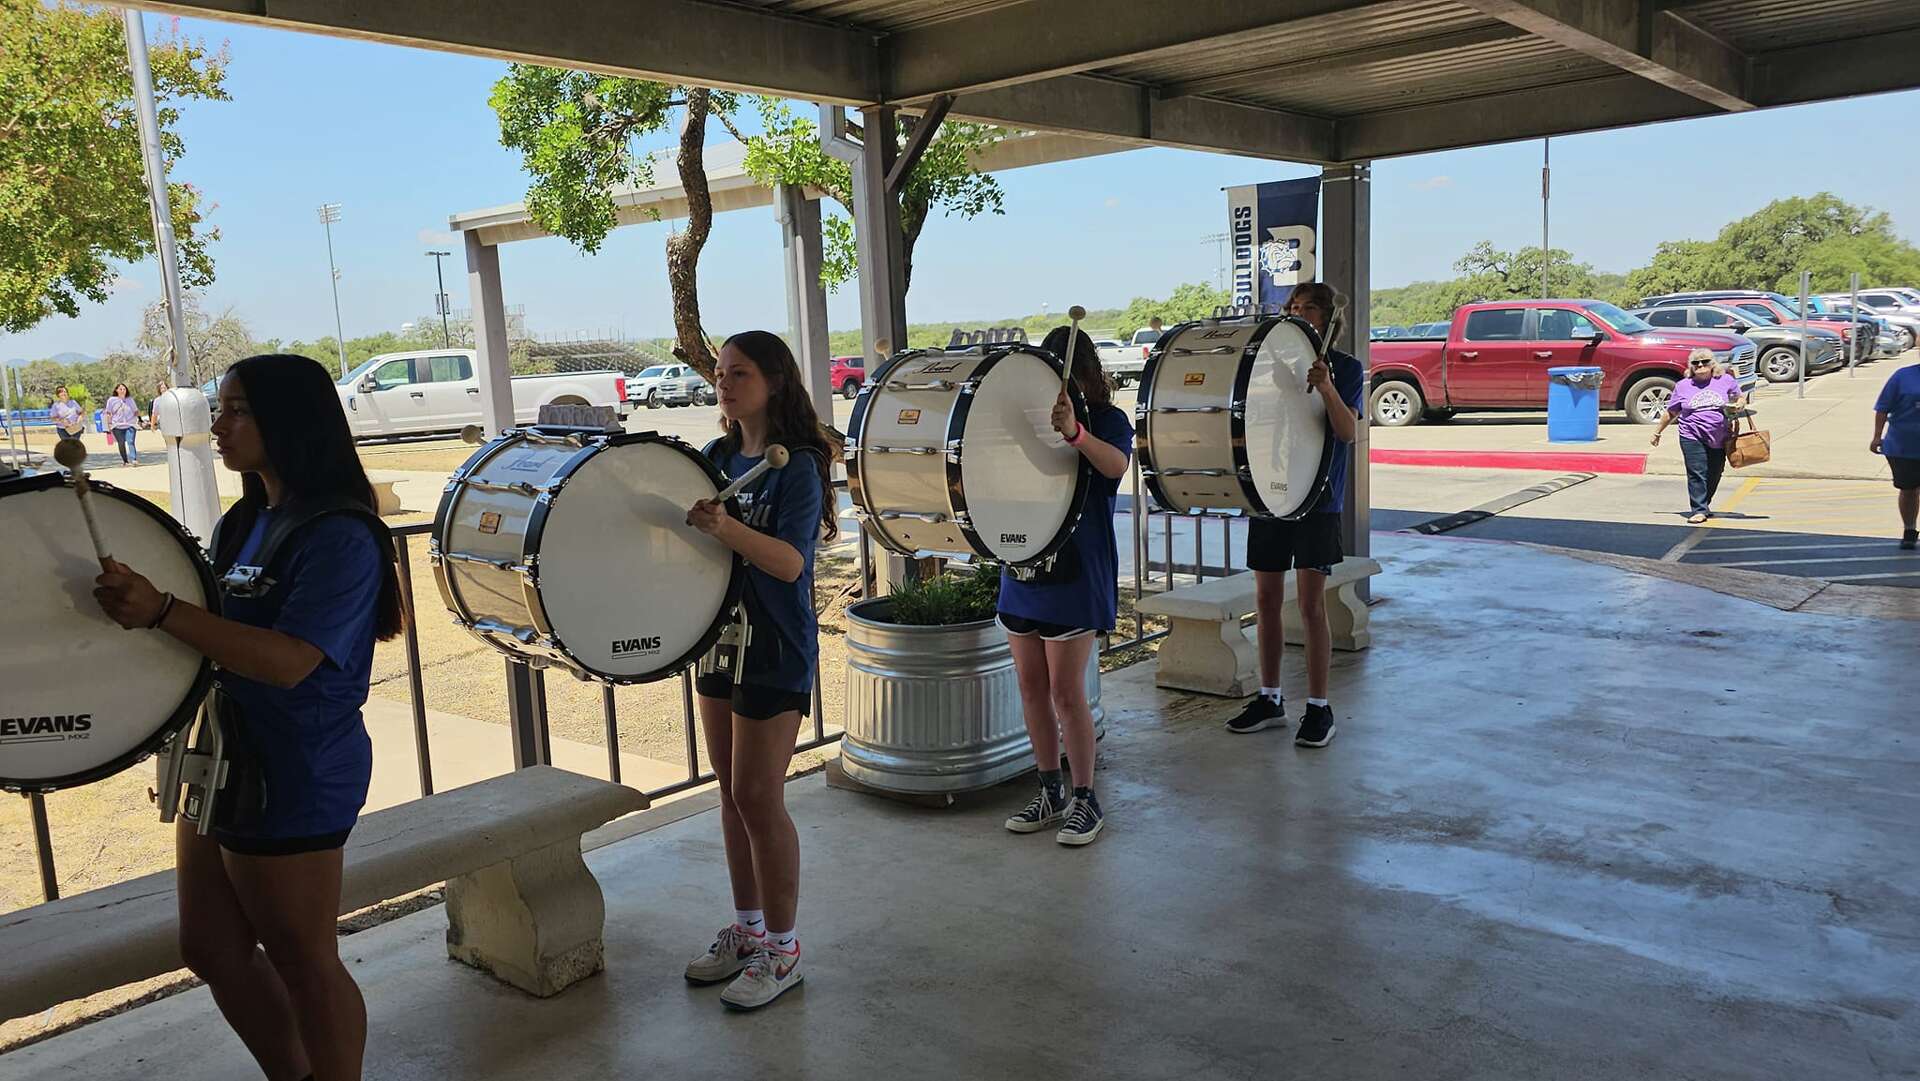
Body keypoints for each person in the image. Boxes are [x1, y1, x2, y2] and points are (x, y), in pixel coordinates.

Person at [91, 354, 402, 1081]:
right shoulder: (247, 516)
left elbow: (292, 659)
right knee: (212, 946)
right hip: (225, 755)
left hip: (296, 766)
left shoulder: (340, 533)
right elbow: (213, 631)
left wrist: (164, 612)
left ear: (288, 422)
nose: (217, 426)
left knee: (303, 958)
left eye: (235, 411)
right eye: (218, 409)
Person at [682, 330, 835, 1012]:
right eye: (719, 372)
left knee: (759, 796)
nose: (724, 382)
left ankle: (784, 947)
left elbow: (790, 563)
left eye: (738, 372)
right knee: (730, 792)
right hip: (719, 640)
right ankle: (746, 931)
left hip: (775, 645)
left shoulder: (796, 464)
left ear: (774, 380)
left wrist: (725, 530)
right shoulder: (715, 457)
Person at [1000, 326, 1133, 846]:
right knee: (1031, 687)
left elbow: (1116, 465)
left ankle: (1085, 797)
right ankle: (1049, 787)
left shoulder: (1107, 419)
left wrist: (1076, 432)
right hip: (1025, 568)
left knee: (1066, 691)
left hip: (1077, 570)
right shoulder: (1030, 423)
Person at [1224, 282, 1364, 746]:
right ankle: (1270, 696)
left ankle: (1320, 707)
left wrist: (1324, 386)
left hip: (1318, 499)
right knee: (1264, 599)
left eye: (1308, 308)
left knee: (1309, 604)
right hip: (1271, 493)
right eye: (1293, 307)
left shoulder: (1344, 368)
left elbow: (1346, 433)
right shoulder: (1272, 366)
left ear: (1328, 319)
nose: (1298, 313)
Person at [1651, 348, 1746, 524]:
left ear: (1713, 364)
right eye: (1696, 363)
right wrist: (1657, 432)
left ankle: (1705, 503)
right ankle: (1699, 509)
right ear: (1691, 366)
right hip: (1691, 434)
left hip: (1719, 435)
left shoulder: (1725, 380)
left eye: (1705, 362)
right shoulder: (1683, 386)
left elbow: (1739, 397)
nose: (1700, 365)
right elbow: (1671, 412)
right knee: (1697, 472)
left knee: (1715, 472)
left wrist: (1739, 405)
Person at [1870, 356, 1920, 549]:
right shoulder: (1903, 376)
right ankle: (1909, 530)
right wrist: (1877, 437)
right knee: (1908, 490)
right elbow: (1882, 409)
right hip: (1903, 446)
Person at [104, 382, 140, 464]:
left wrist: (136, 418)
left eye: (124, 389)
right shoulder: (111, 400)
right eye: (120, 389)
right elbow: (108, 412)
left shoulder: (130, 399)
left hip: (130, 424)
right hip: (117, 426)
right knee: (121, 443)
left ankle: (134, 459)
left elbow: (136, 411)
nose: (123, 390)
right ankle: (125, 461)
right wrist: (109, 424)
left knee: (130, 441)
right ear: (116, 390)